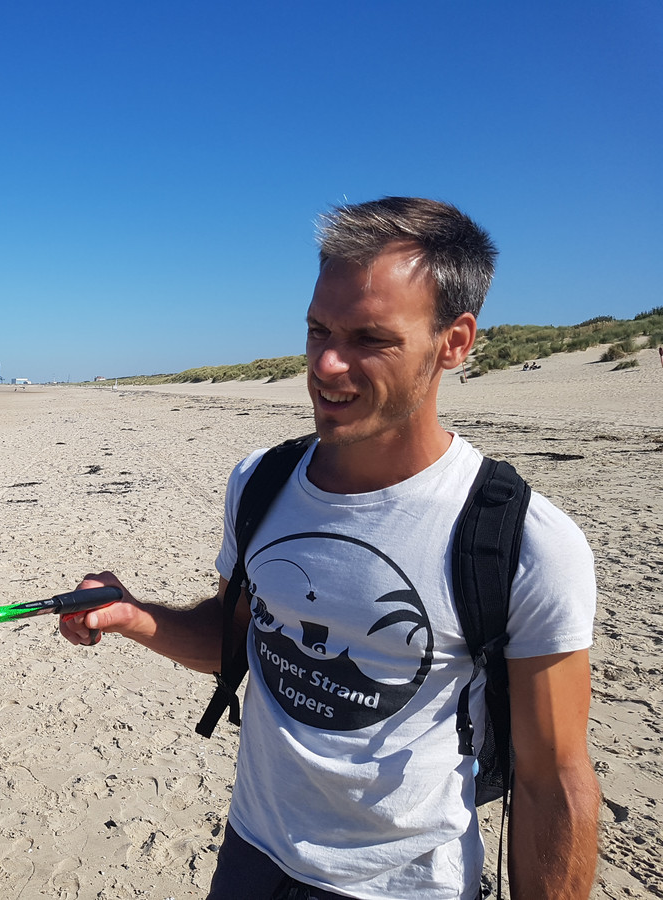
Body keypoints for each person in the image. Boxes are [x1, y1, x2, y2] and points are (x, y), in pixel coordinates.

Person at [61, 197, 600, 899]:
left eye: (369, 338)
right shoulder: (262, 482)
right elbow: (237, 641)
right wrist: (133, 616)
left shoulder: (522, 541)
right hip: (252, 854)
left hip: (406, 885)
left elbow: (555, 780)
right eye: (317, 330)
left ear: (455, 342)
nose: (326, 364)